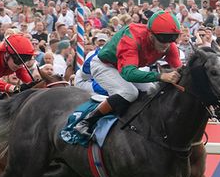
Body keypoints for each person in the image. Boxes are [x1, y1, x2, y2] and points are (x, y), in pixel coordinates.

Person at [73, 10, 182, 139]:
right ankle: (85, 121)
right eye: (163, 39)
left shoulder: (169, 45)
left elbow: (179, 69)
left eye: (171, 39)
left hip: (126, 66)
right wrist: (160, 76)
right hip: (105, 65)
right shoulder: (131, 39)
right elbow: (128, 74)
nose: (166, 44)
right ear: (151, 35)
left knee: (152, 91)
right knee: (129, 92)